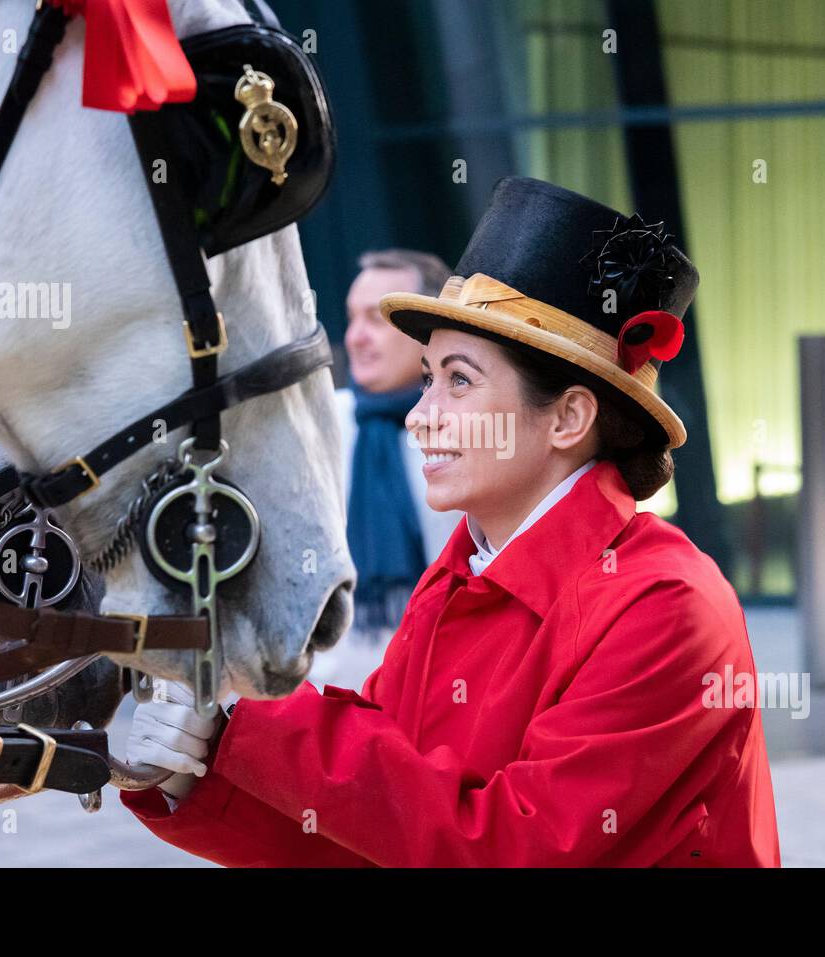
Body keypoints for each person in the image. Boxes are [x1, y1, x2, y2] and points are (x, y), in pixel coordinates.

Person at [123, 176, 781, 867]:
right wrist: (193, 776)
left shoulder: (665, 605)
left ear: (569, 417)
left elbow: (516, 847)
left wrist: (254, 721)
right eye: (427, 378)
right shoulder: (462, 572)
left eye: (459, 381)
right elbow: (375, 836)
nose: (418, 416)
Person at [308, 250, 462, 692]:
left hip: (444, 693)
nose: (355, 337)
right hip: (331, 697)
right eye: (351, 318)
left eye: (376, 319)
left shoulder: (475, 432)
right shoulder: (317, 425)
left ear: (428, 330)